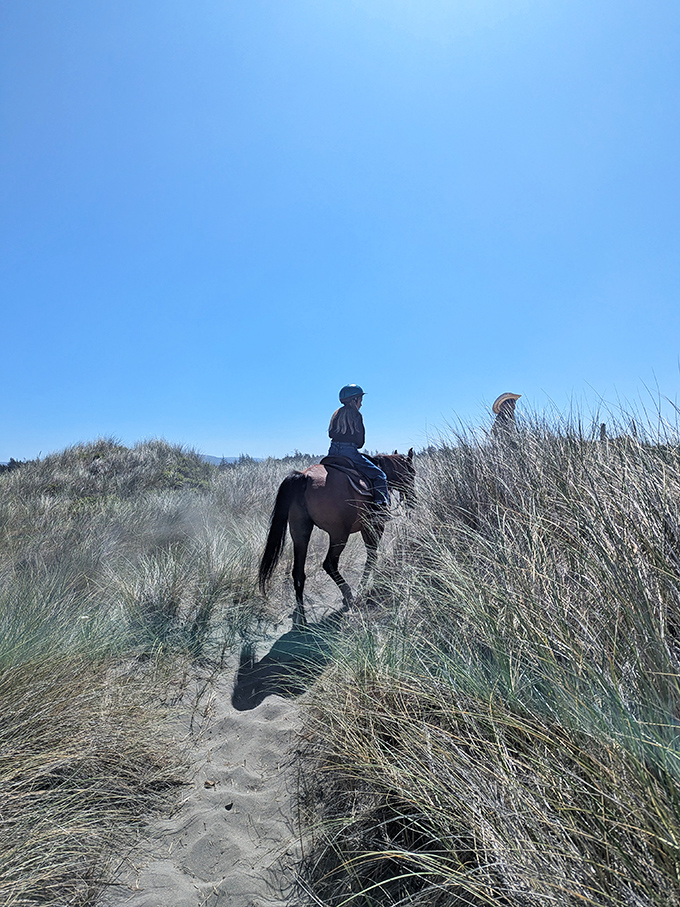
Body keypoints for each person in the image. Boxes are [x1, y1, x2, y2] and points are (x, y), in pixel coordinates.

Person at [328, 385, 390, 509]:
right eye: (360, 400)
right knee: (380, 475)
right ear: (354, 400)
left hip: (332, 452)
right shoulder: (356, 415)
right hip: (349, 453)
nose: (361, 404)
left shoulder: (336, 414)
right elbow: (360, 442)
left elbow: (331, 434)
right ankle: (380, 506)